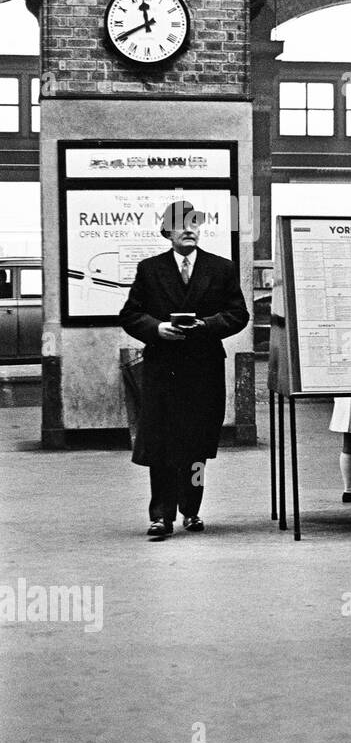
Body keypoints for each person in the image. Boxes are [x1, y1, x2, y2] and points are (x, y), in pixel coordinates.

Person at [120, 200, 250, 538]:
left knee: (197, 447)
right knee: (160, 446)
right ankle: (161, 515)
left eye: (195, 222)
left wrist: (207, 325)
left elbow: (238, 314)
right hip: (163, 371)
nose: (189, 228)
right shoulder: (150, 269)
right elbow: (131, 315)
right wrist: (156, 328)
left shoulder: (221, 269)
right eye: (180, 223)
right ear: (167, 231)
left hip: (203, 372)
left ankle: (191, 510)